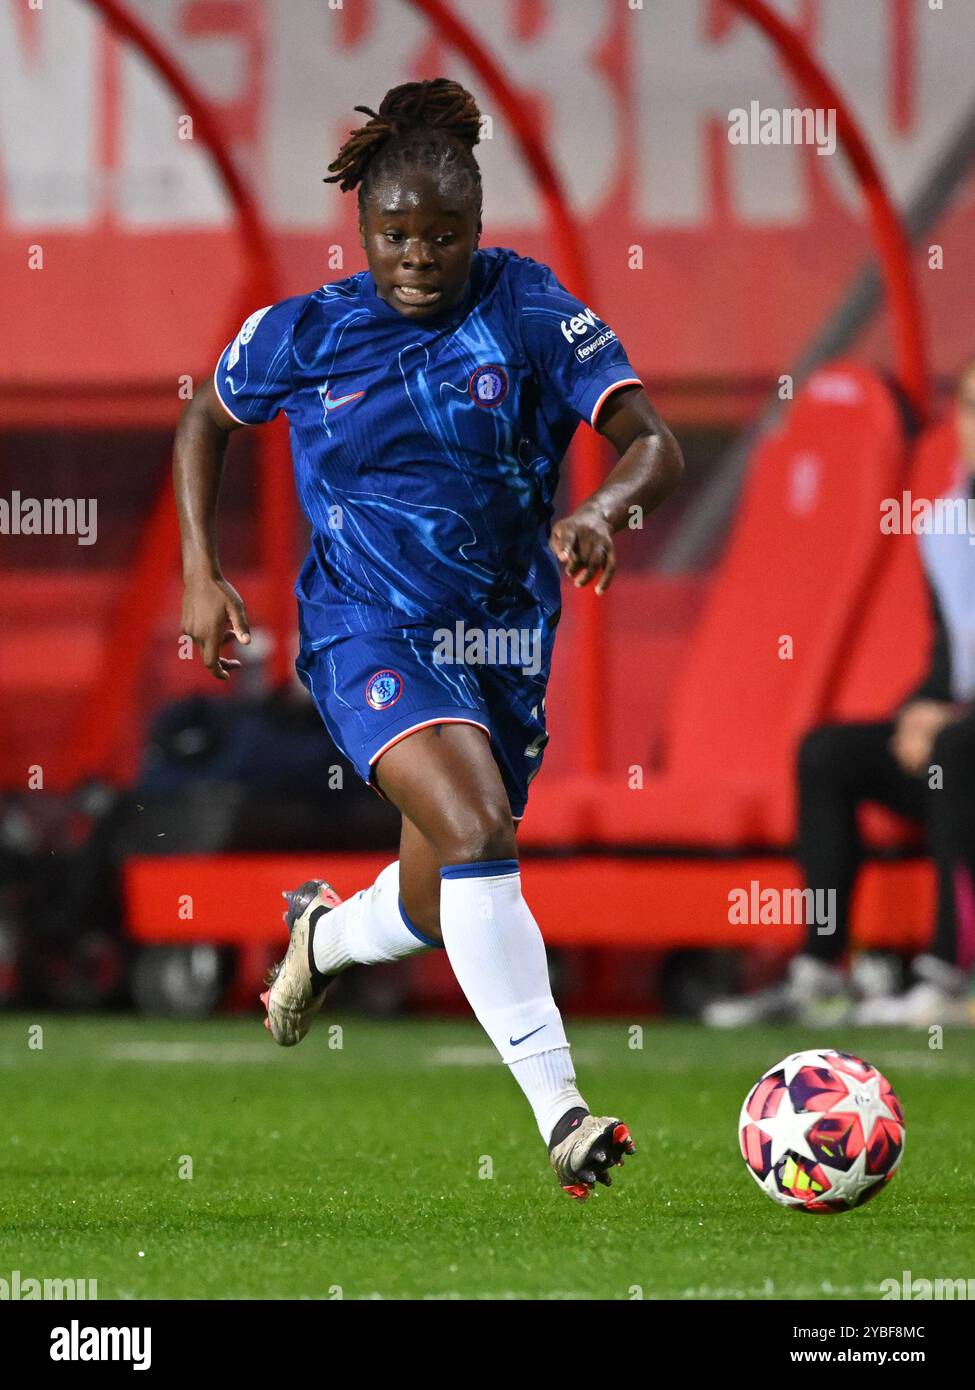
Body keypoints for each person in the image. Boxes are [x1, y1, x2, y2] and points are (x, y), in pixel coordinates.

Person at [173, 79, 683, 1196]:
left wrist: (600, 510)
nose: (419, 255)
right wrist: (200, 570)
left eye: (442, 235)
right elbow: (205, 416)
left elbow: (653, 443)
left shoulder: (529, 309)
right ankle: (565, 1116)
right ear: (362, 231)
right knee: (480, 824)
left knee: (434, 893)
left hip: (503, 643)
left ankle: (323, 938)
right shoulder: (307, 330)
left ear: (475, 231)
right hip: (364, 625)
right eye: (397, 234)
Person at [705, 361, 975, 1029]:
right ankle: (820, 972)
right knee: (828, 753)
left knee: (954, 747)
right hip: (961, 740)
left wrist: (945, 720)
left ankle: (950, 975)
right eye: (969, 407)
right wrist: (920, 706)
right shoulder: (943, 524)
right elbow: (951, 657)